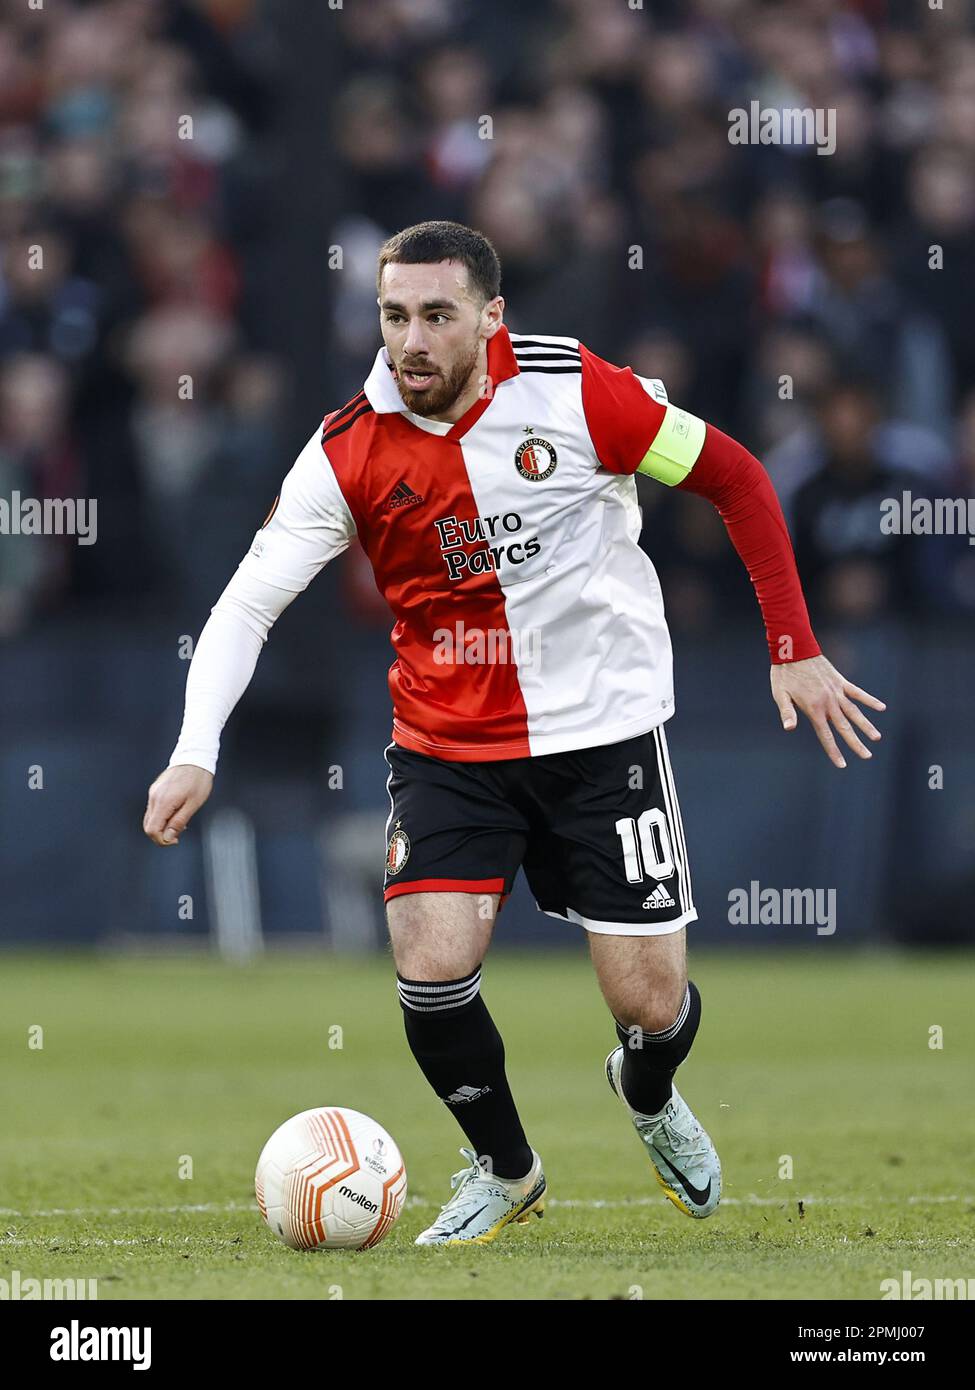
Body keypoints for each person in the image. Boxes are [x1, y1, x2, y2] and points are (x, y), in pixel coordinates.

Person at [144, 221, 885, 1246]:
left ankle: (648, 1088)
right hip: (450, 746)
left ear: (493, 317)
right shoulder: (350, 448)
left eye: (438, 315)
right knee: (429, 962)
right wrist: (196, 750)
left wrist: (793, 641)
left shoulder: (583, 392)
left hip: (605, 731)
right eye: (396, 315)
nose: (413, 339)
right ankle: (506, 1167)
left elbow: (737, 477)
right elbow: (244, 606)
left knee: (650, 1002)